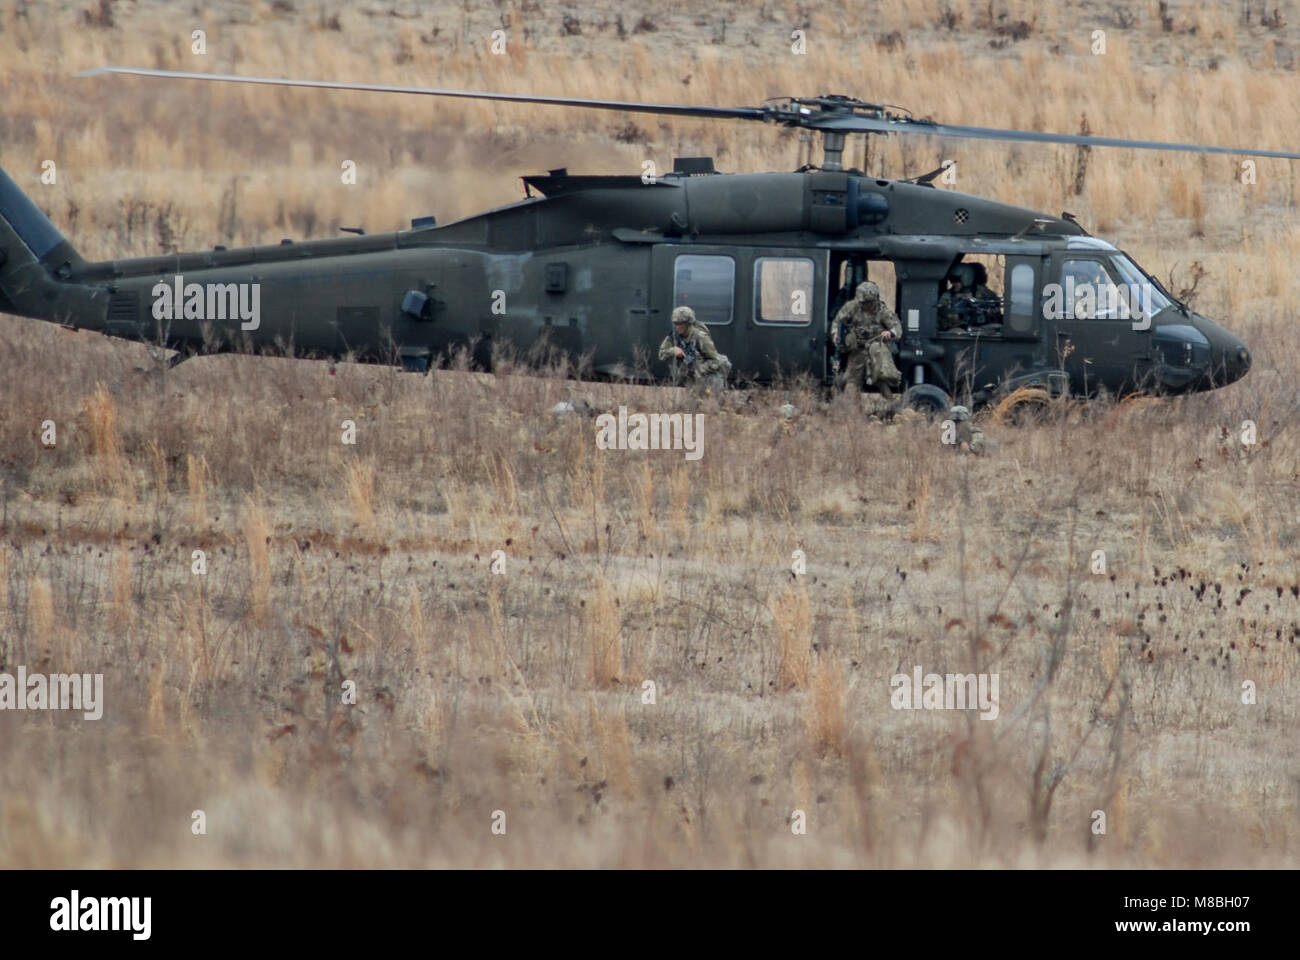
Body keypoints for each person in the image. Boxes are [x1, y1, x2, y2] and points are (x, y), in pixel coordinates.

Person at [830, 280, 902, 400]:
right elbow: (838, 321)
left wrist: (890, 333)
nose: (864, 306)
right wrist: (835, 333)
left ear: (875, 300)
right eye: (862, 303)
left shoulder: (883, 312)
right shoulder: (853, 307)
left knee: (881, 377)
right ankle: (852, 411)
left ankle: (892, 405)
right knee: (851, 382)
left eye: (867, 303)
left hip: (876, 350)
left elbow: (897, 328)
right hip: (857, 351)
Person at [659, 305, 729, 397]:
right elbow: (662, 354)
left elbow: (715, 360)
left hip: (707, 377)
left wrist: (699, 369)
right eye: (676, 323)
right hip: (691, 377)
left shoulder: (701, 337)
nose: (678, 327)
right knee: (692, 403)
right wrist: (673, 350)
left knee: (709, 399)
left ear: (689, 323)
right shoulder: (674, 336)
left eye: (681, 324)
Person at [938, 263, 1000, 330]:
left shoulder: (984, 294)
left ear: (966, 278)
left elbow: (996, 310)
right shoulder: (947, 295)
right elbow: (941, 311)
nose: (952, 283)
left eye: (955, 280)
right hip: (955, 332)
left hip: (982, 332)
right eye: (951, 280)